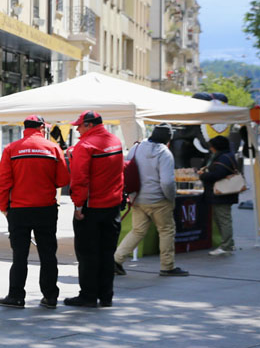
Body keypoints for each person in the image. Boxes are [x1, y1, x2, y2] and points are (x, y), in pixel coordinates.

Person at [0, 115, 71, 309]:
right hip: (46, 209)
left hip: (19, 210)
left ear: (24, 129)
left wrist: (3, 206)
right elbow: (63, 180)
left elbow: (3, 182)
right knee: (48, 254)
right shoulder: (53, 148)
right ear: (42, 128)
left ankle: (16, 296)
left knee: (19, 255)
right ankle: (50, 296)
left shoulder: (11, 149)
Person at [65, 110, 124, 308]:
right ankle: (106, 296)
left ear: (89, 125)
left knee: (88, 254)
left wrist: (79, 205)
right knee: (107, 253)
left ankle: (88, 295)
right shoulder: (114, 141)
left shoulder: (86, 145)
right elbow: (119, 172)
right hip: (112, 206)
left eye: (79, 126)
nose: (78, 129)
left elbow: (80, 178)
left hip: (91, 208)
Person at [114, 124, 189, 277]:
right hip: (159, 200)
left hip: (137, 198)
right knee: (166, 231)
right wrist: (171, 198)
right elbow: (167, 182)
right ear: (168, 139)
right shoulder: (164, 153)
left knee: (137, 231)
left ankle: (116, 260)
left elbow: (128, 170)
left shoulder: (136, 148)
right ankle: (167, 266)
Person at [201, 135, 242, 257]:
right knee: (222, 219)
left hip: (222, 193)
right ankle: (229, 243)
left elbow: (217, 174)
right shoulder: (227, 155)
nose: (211, 149)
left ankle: (226, 246)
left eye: (212, 146)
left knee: (223, 219)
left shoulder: (222, 158)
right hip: (222, 193)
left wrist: (203, 176)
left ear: (216, 147)